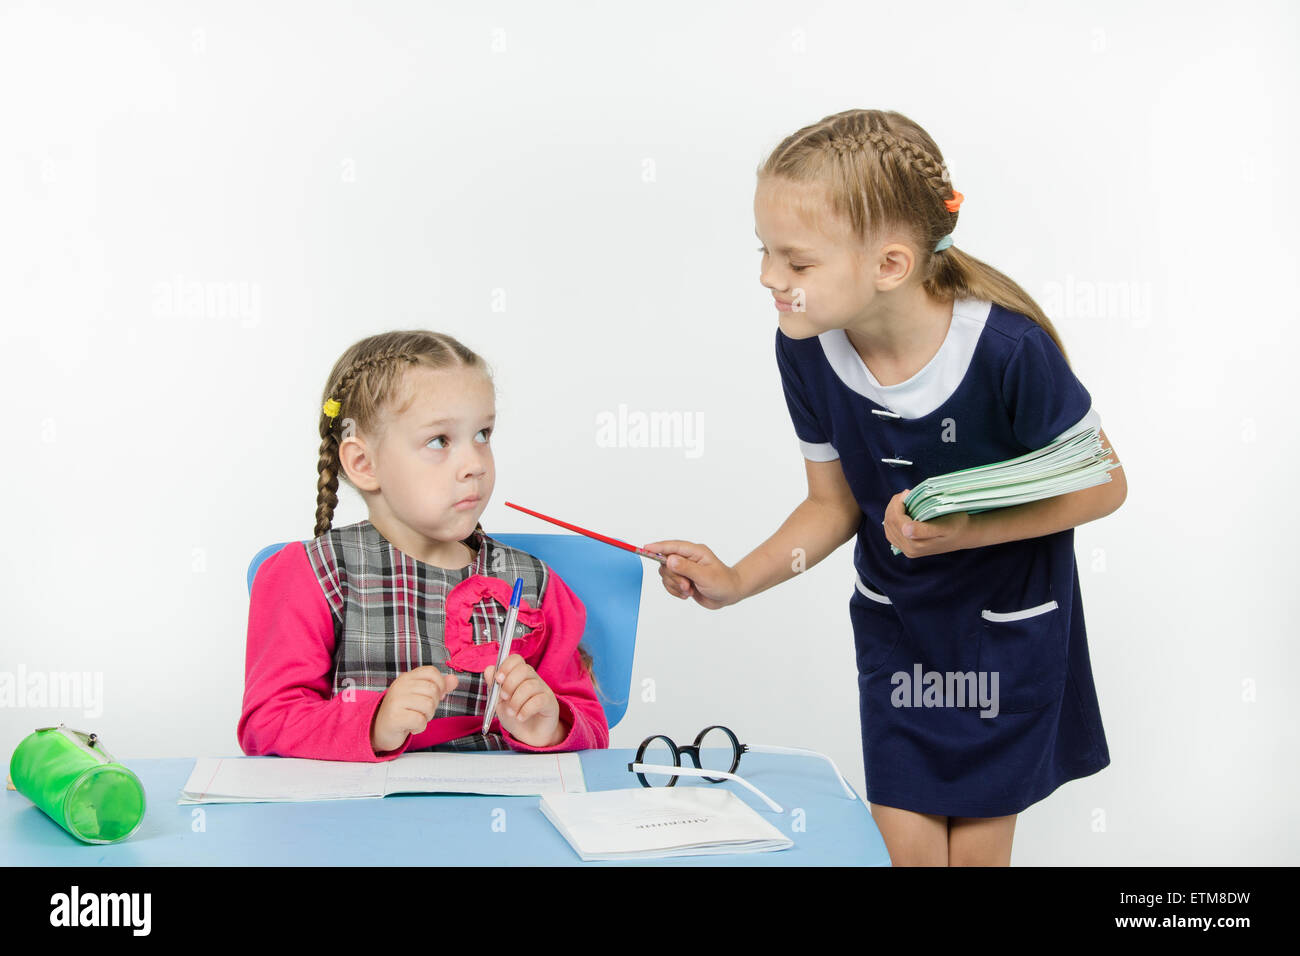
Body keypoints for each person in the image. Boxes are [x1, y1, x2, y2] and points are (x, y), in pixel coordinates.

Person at [645, 109, 1126, 866]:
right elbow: (832, 504)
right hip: (900, 635)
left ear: (891, 265)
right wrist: (736, 580)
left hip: (1005, 639)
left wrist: (967, 531)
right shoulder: (804, 347)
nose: (770, 278)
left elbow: (1104, 486)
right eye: (765, 253)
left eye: (796, 263)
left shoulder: (1008, 350)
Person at [239, 330, 608, 760]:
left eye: (483, 435)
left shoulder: (536, 582)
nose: (474, 464)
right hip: (358, 823)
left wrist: (550, 725)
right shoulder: (313, 575)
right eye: (439, 441)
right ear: (363, 463)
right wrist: (375, 723)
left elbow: (591, 726)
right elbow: (267, 725)